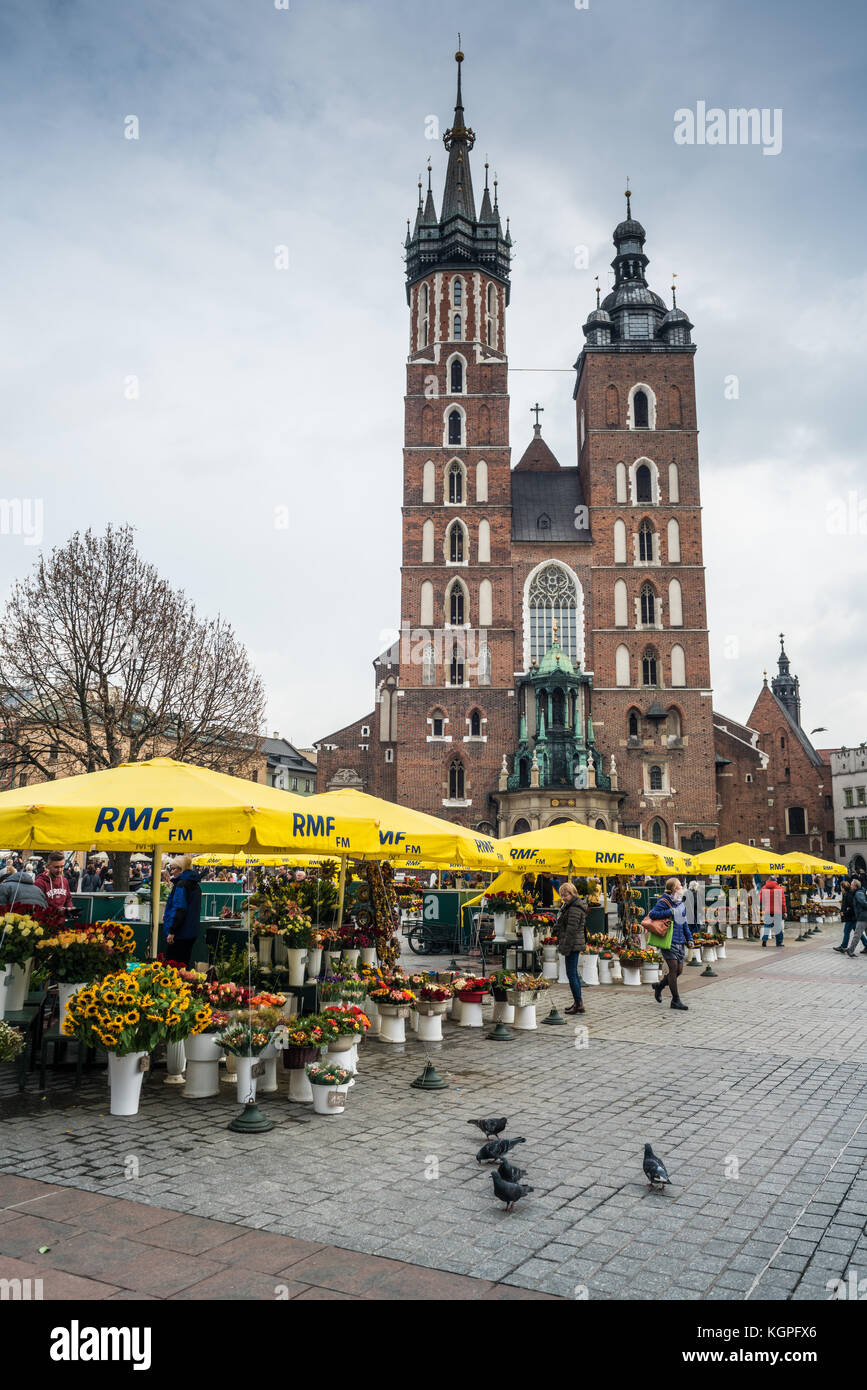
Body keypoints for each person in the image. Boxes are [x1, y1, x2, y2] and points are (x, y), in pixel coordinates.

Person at [646, 877, 693, 1011]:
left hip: (679, 941)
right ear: (673, 889)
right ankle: (675, 1000)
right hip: (668, 940)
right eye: (679, 886)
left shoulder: (680, 903)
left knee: (679, 971)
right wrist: (669, 912)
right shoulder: (664, 901)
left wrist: (689, 938)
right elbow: (653, 914)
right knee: (673, 969)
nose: (682, 888)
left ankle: (659, 986)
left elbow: (684, 923)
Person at [162, 854, 203, 967]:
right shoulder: (195, 884)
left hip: (180, 933)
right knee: (184, 965)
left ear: (181, 870)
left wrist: (172, 931)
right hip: (191, 932)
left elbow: (180, 909)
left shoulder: (181, 885)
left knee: (172, 967)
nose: (171, 872)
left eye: (173, 868)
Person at [555, 879, 589, 1016]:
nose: (563, 898)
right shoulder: (569, 906)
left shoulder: (574, 908)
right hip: (573, 943)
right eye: (562, 895)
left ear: (573, 893)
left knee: (572, 974)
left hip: (572, 944)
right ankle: (577, 1002)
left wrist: (565, 948)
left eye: (566, 895)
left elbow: (571, 930)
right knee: (572, 974)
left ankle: (579, 1003)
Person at [834, 879, 863, 954]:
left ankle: (843, 946)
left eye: (841, 887)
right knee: (858, 933)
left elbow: (852, 907)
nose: (841, 888)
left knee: (846, 931)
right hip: (852, 916)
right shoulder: (847, 894)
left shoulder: (848, 895)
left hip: (851, 917)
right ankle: (866, 944)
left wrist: (845, 912)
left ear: (843, 888)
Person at [760, 875, 786, 947]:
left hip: (768, 910)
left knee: (767, 925)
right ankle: (779, 942)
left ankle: (764, 939)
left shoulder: (763, 888)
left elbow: (761, 900)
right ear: (775, 881)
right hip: (777, 911)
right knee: (778, 926)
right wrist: (784, 911)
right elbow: (783, 902)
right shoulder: (779, 888)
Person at [844, 879, 867, 959]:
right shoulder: (860, 892)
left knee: (857, 935)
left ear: (855, 886)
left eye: (851, 885)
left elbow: (864, 903)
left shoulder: (858, 893)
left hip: (863, 917)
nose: (850, 886)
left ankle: (850, 950)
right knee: (858, 934)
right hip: (864, 916)